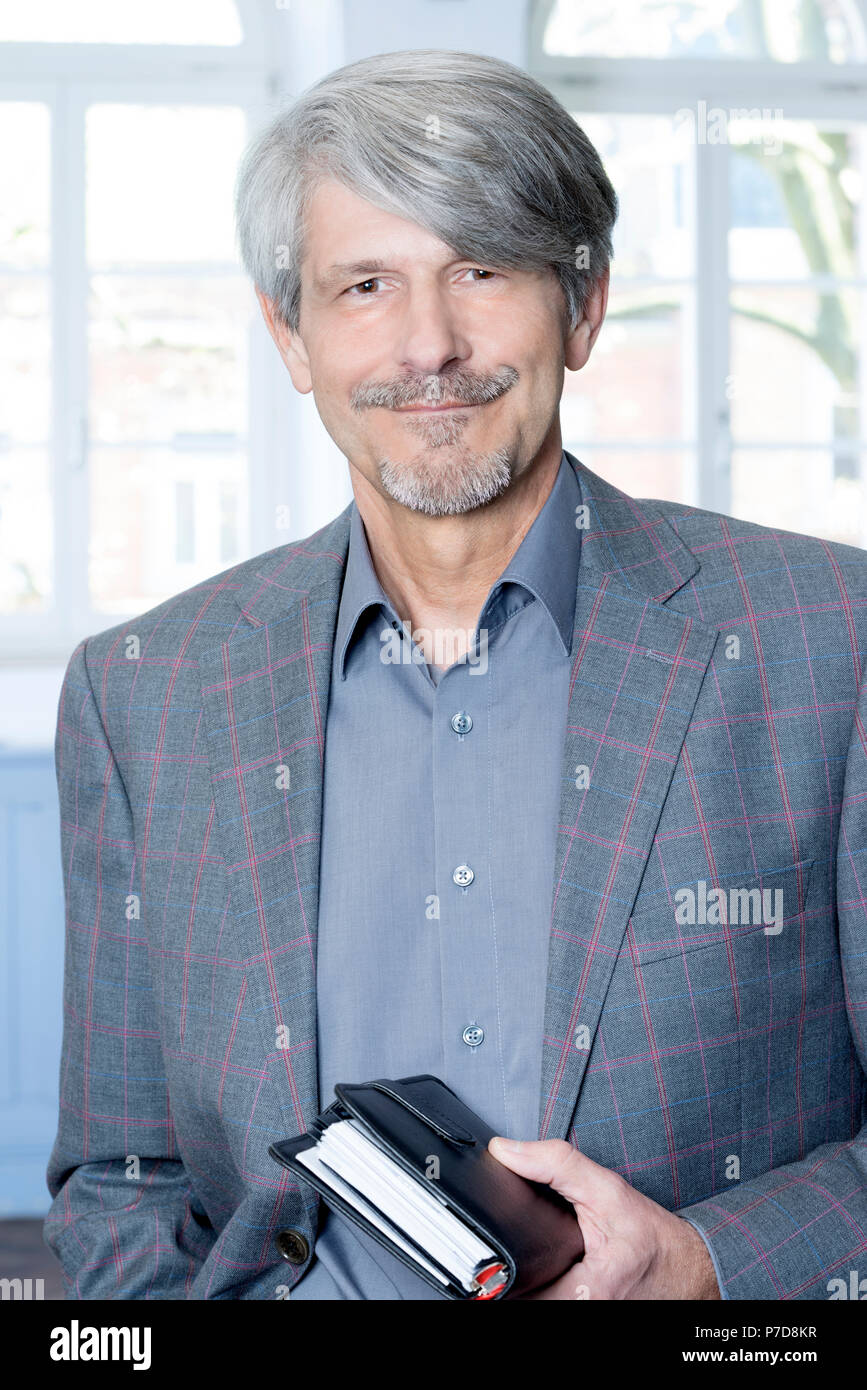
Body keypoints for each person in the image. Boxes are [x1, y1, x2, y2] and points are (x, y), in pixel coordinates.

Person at [46, 48, 867, 1300]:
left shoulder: (831, 640)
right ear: (291, 335)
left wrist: (713, 1267)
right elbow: (123, 1176)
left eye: (481, 269)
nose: (428, 344)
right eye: (364, 283)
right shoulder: (143, 696)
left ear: (583, 305)